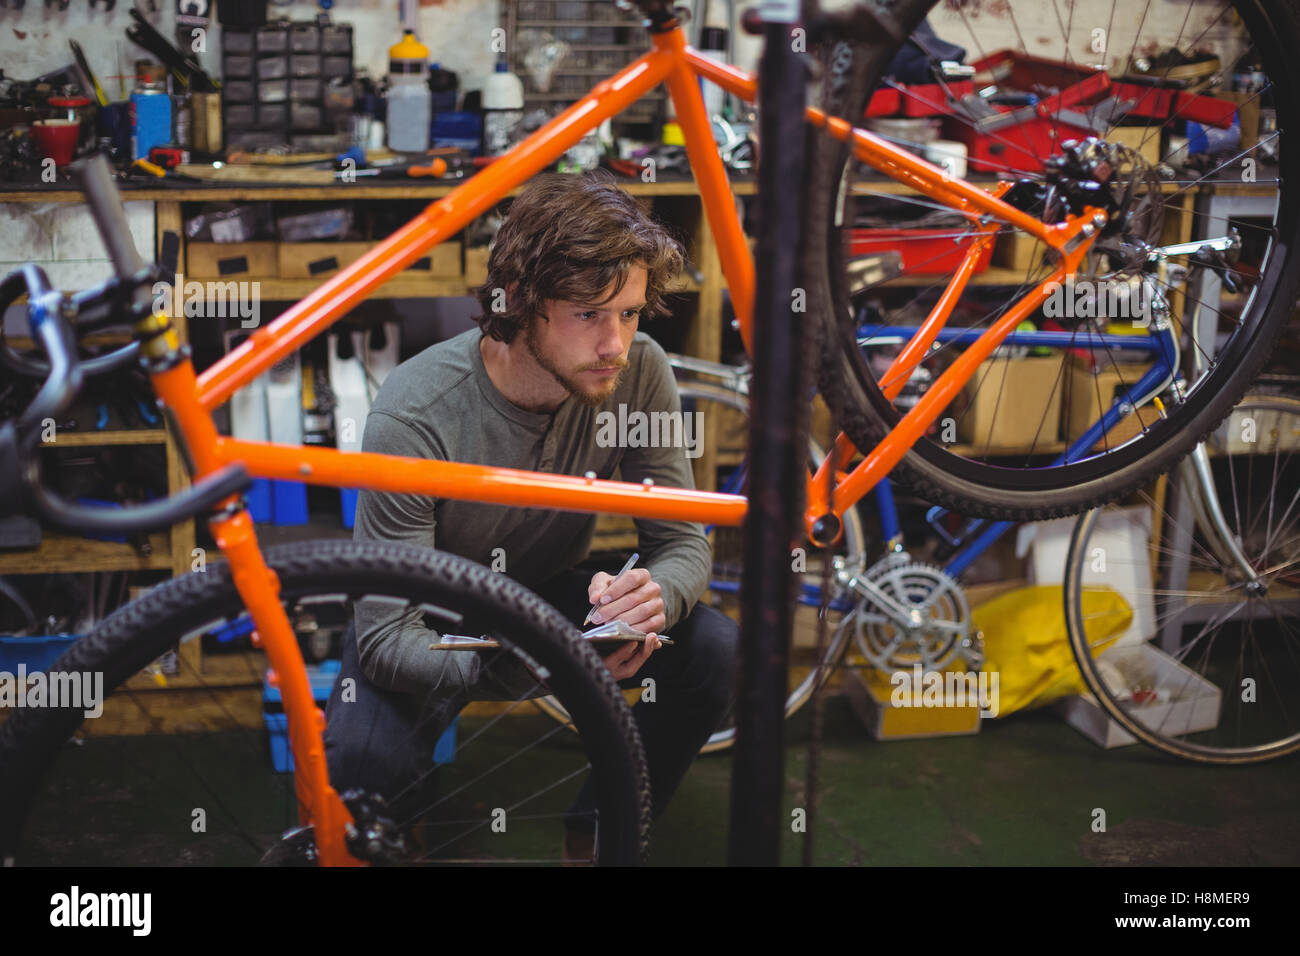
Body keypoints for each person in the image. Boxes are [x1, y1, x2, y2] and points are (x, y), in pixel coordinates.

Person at [323, 171, 738, 860]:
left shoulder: (639, 373)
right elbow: (384, 640)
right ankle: (396, 831)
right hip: (425, 618)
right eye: (589, 314)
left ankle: (600, 830)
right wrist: (552, 663)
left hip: (543, 593)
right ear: (519, 300)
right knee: (364, 776)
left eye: (630, 313)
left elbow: (682, 542)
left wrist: (652, 598)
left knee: (715, 652)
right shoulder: (416, 412)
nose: (616, 343)